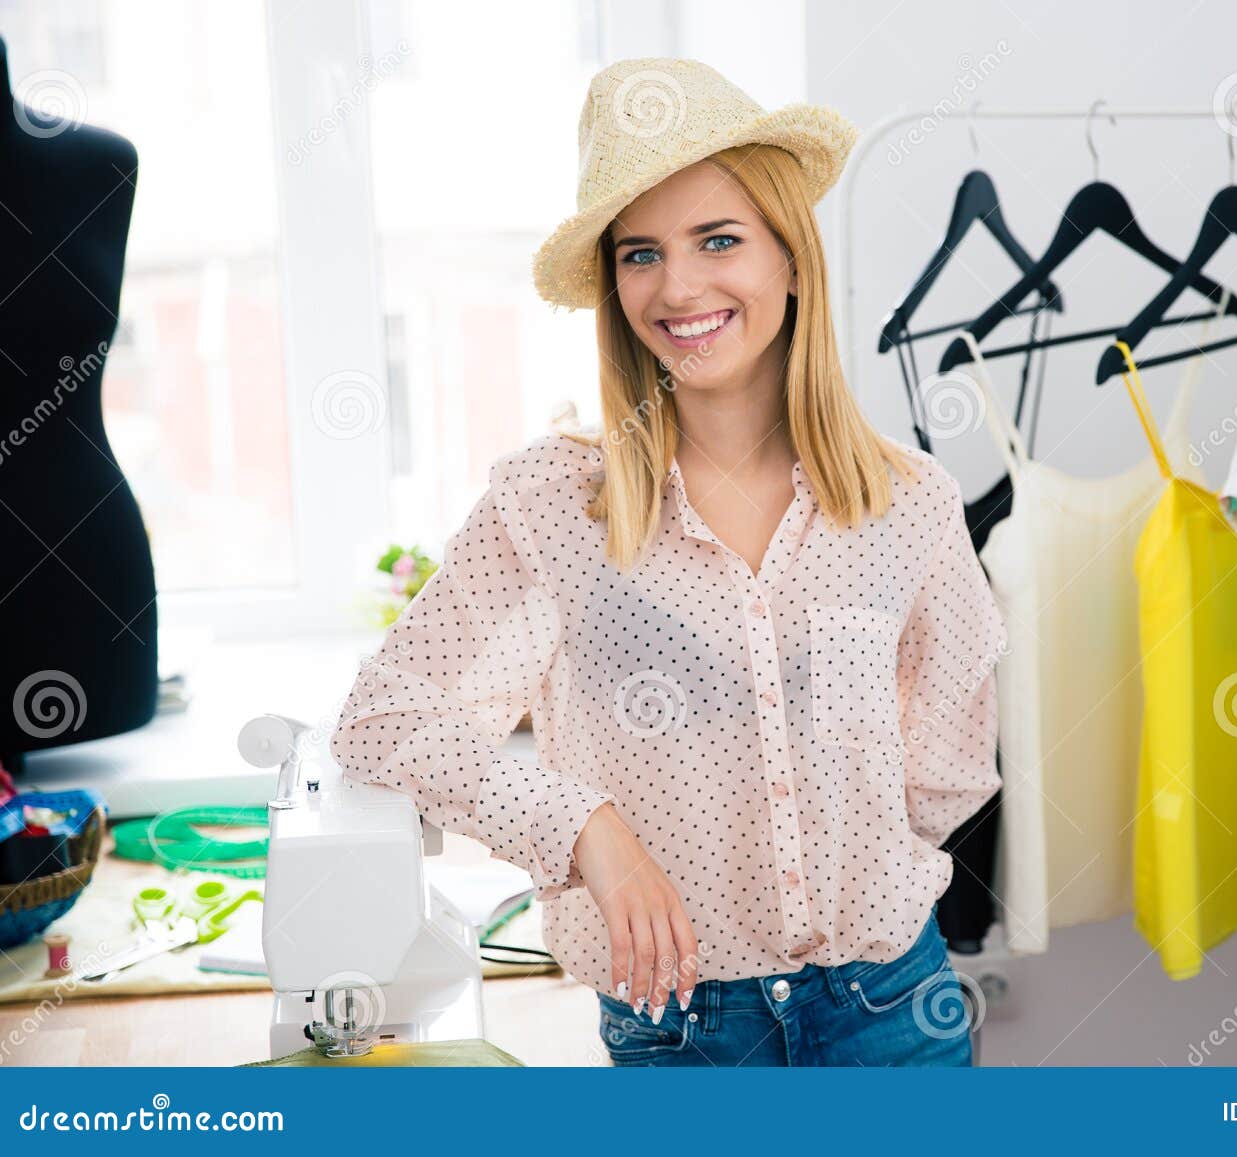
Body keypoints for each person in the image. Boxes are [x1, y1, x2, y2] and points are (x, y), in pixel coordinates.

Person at [328, 57, 1007, 1067]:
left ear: (789, 256)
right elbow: (386, 719)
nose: (678, 286)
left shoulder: (907, 504)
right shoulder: (553, 508)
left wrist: (838, 846)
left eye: (718, 239)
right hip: (683, 1028)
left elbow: (948, 773)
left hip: (893, 1011)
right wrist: (585, 827)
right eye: (640, 253)